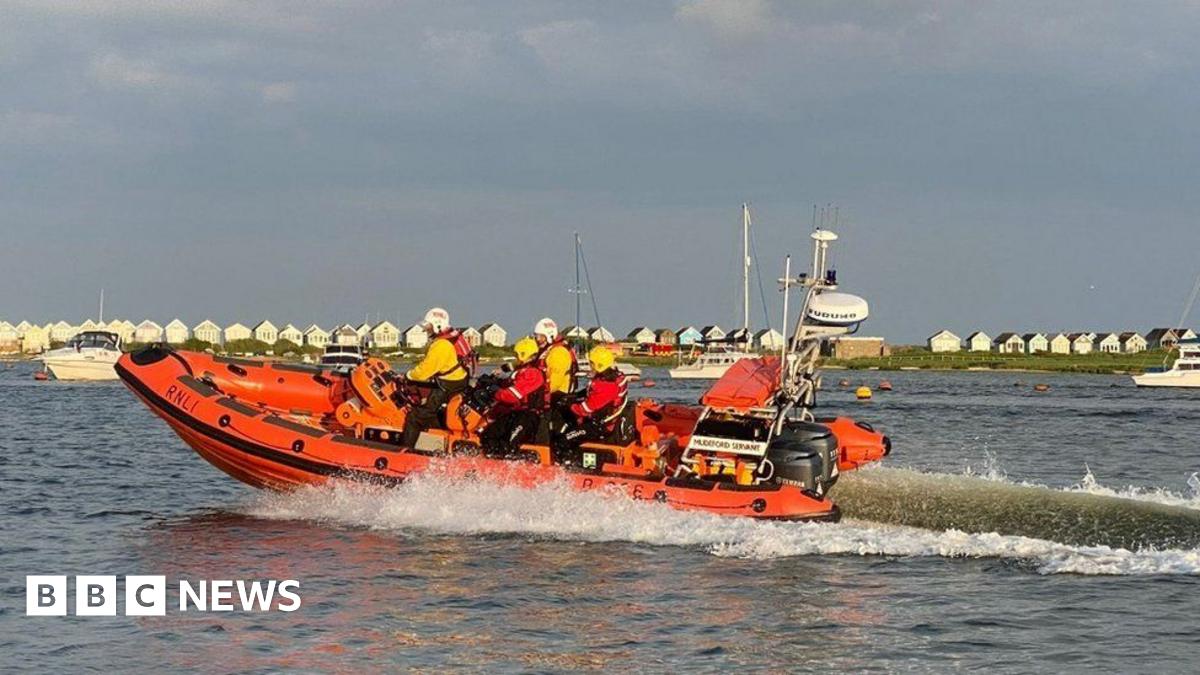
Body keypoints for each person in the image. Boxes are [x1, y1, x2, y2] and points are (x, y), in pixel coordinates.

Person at [402, 307, 477, 447]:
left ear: (437, 325)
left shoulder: (441, 345)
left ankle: (404, 451)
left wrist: (407, 375)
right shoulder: (455, 336)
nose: (426, 329)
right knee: (438, 411)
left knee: (415, 417)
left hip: (448, 385)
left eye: (428, 326)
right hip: (460, 381)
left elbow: (424, 371)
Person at [555, 345, 634, 459]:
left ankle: (568, 465)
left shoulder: (606, 386)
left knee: (563, 440)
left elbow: (584, 410)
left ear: (599, 365)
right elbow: (590, 393)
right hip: (602, 420)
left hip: (599, 426)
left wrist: (568, 405)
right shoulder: (612, 378)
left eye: (591, 363)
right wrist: (573, 397)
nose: (590, 366)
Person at [479, 337, 546, 457]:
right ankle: (489, 461)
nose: (515, 358)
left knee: (509, 442)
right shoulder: (521, 371)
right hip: (514, 414)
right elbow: (509, 385)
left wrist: (496, 391)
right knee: (488, 434)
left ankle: (510, 465)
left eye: (516, 355)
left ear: (523, 354)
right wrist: (494, 383)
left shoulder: (533, 374)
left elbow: (512, 395)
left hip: (528, 417)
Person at [532, 317, 578, 443]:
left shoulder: (559, 353)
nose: (537, 340)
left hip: (556, 396)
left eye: (540, 337)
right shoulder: (548, 350)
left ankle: (542, 449)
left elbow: (555, 383)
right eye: (536, 336)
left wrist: (532, 392)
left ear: (549, 335)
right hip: (545, 394)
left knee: (542, 423)